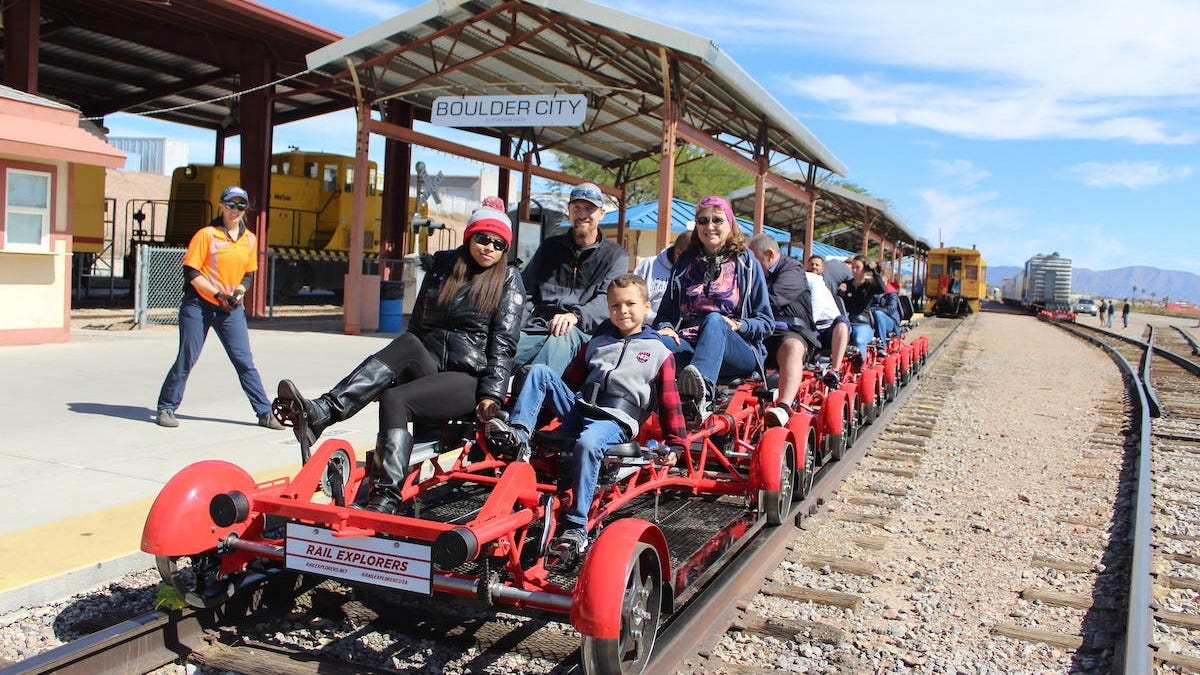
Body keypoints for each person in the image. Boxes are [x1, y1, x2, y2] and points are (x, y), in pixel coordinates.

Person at [274, 201, 524, 514]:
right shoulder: (443, 268)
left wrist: (492, 395)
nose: (490, 247)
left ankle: (386, 497)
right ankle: (324, 411)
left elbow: (504, 342)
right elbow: (418, 325)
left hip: (468, 378)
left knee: (395, 399)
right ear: (469, 237)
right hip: (430, 365)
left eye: (498, 243)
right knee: (407, 341)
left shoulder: (508, 280)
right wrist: (396, 370)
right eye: (483, 238)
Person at [486, 275, 686, 555]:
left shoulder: (659, 352)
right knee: (539, 372)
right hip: (582, 408)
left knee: (589, 443)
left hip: (615, 420)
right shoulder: (597, 343)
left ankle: (577, 526)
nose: (622, 311)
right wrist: (542, 424)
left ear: (645, 307)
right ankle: (519, 434)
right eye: (615, 305)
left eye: (630, 304)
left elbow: (669, 402)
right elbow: (567, 383)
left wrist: (677, 444)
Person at [155, 186, 283, 431]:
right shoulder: (207, 235)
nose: (236, 210)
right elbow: (191, 271)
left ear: (246, 209)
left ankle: (264, 412)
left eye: (241, 205)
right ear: (222, 206)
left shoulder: (249, 239)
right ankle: (166, 406)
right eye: (231, 204)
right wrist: (216, 293)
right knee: (187, 357)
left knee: (244, 360)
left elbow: (248, 273)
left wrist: (239, 292)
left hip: (231, 309)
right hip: (199, 305)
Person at [655, 196, 774, 422]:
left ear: (730, 224)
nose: (709, 226)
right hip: (690, 344)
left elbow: (766, 323)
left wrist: (739, 325)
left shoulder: (747, 263)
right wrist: (665, 327)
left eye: (717, 220)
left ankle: (699, 397)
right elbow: (664, 314)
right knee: (649, 340)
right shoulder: (685, 262)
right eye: (703, 220)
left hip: (737, 348)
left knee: (714, 320)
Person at [516, 182, 628, 375]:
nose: (582, 214)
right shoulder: (549, 247)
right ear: (569, 211)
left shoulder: (616, 256)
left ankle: (530, 385)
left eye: (589, 208)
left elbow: (606, 300)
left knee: (543, 364)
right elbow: (526, 291)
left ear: (601, 213)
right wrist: (515, 324)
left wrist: (574, 316)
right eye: (576, 208)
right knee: (499, 354)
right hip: (538, 327)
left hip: (580, 330)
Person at [748, 235, 845, 426]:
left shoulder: (792, 269)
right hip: (761, 328)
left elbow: (773, 298)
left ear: (769, 254)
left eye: (755, 258)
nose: (752, 264)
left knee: (792, 347)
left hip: (791, 329)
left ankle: (783, 407)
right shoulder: (754, 272)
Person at [633, 230, 692, 324]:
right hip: (648, 328)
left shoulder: (697, 272)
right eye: (691, 259)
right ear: (678, 253)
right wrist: (660, 321)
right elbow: (633, 300)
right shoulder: (649, 265)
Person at [839, 255, 888, 354]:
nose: (854, 270)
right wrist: (841, 292)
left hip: (862, 323)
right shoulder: (846, 284)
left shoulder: (869, 285)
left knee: (859, 340)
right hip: (847, 321)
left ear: (864, 269)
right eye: (853, 267)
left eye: (857, 267)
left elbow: (882, 288)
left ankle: (860, 365)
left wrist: (874, 271)